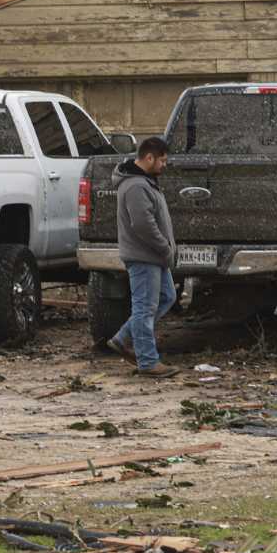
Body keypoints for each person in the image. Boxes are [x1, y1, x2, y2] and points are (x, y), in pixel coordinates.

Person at [111, 137, 179, 377]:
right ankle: (148, 361)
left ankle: (123, 338)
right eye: (162, 160)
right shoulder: (136, 186)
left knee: (166, 297)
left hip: (154, 257)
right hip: (145, 256)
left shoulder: (145, 182)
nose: (164, 165)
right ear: (149, 157)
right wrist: (164, 248)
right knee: (145, 308)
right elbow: (143, 225)